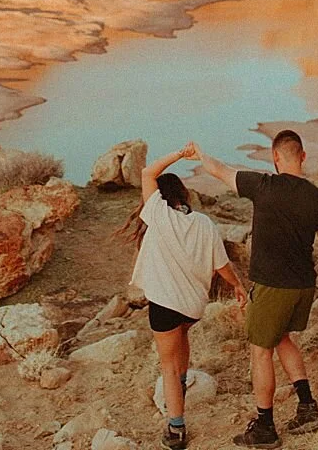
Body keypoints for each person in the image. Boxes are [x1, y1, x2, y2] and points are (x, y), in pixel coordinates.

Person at [198, 130, 318, 448]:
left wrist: (198, 154)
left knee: (260, 351)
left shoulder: (262, 185)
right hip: (304, 286)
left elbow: (219, 170)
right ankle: (307, 407)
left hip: (273, 286)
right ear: (302, 156)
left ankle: (265, 428)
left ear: (275, 157)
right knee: (281, 339)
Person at [124, 143, 248, 449]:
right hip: (193, 308)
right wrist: (238, 286)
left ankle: (176, 429)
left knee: (167, 364)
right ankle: (180, 387)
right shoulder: (204, 223)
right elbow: (222, 266)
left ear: (160, 197)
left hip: (165, 305)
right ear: (183, 195)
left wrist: (179, 154)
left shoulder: (158, 215)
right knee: (182, 340)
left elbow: (147, 171)